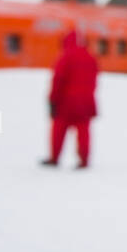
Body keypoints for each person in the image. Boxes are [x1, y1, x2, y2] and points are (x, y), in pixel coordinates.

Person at [42, 31, 98, 169]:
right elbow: (94, 80)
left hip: (65, 102)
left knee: (58, 130)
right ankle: (84, 160)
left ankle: (55, 158)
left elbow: (58, 80)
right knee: (84, 131)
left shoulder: (65, 57)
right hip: (85, 102)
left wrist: (52, 100)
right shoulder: (91, 58)